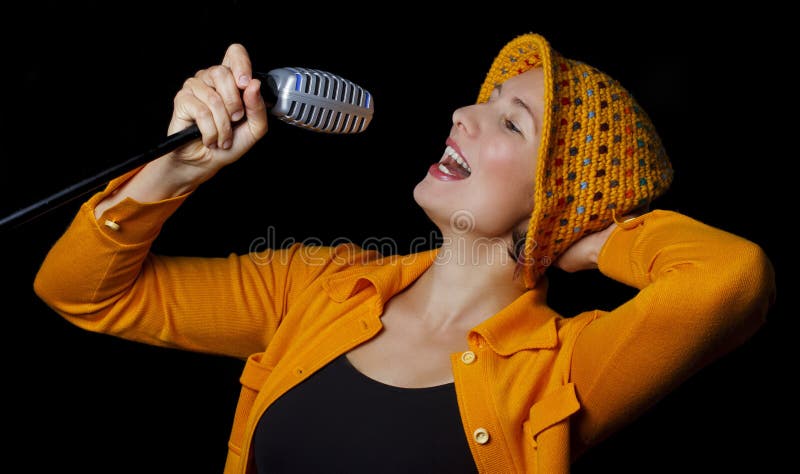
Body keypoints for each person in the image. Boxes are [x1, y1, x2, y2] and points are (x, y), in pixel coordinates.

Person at [33, 33, 775, 473]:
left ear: (557, 201)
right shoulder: (318, 287)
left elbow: (730, 281)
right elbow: (82, 292)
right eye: (481, 103)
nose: (463, 115)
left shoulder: (561, 370)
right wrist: (178, 169)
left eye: (512, 125)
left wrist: (596, 237)